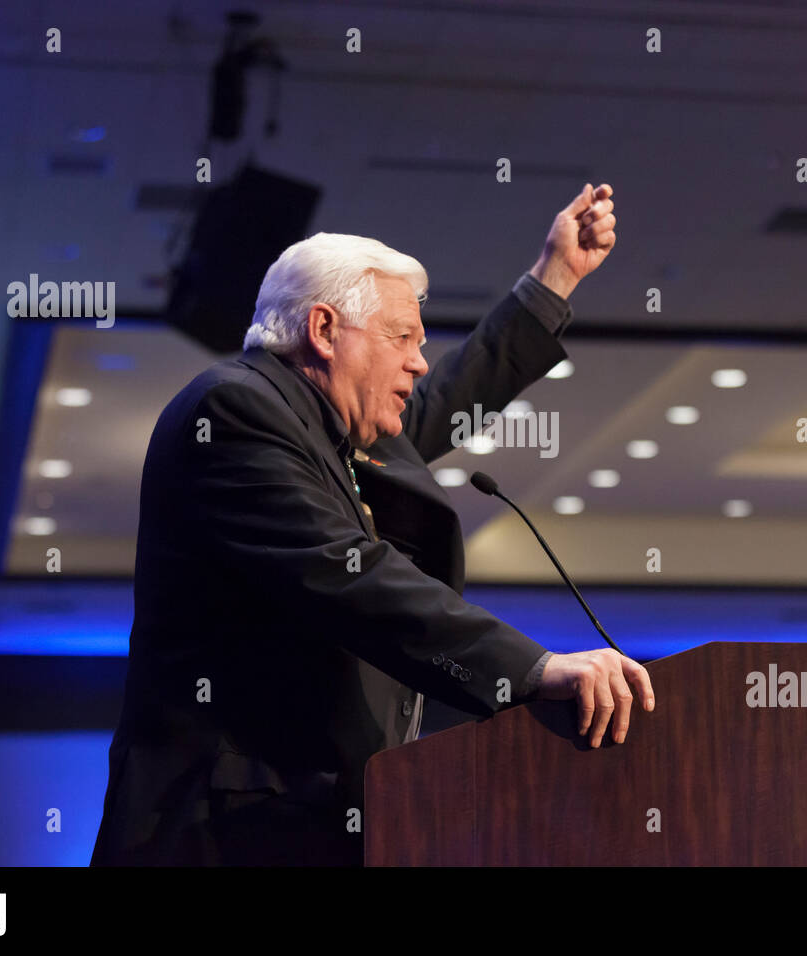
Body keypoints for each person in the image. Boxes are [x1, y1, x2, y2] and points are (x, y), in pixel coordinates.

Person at [91, 183, 654, 865]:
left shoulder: (327, 425)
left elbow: (444, 401)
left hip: (295, 823)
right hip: (221, 831)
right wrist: (531, 669)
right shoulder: (236, 413)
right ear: (324, 330)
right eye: (401, 338)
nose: (419, 361)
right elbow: (348, 575)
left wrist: (553, 278)